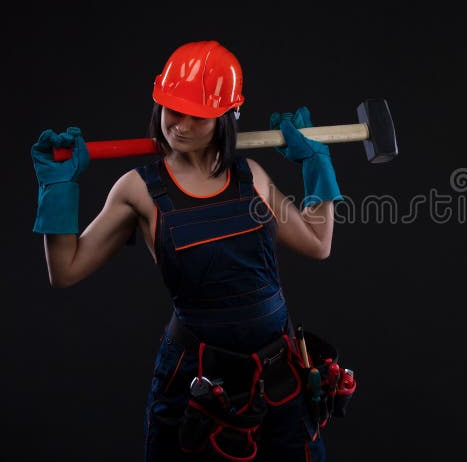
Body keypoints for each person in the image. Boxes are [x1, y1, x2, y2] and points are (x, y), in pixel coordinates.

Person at [31, 40, 348, 461]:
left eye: (196, 116)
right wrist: (57, 189)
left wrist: (316, 169)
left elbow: (317, 243)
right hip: (198, 382)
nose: (179, 125)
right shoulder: (138, 189)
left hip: (278, 376)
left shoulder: (249, 174)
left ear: (225, 118)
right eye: (171, 110)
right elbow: (65, 270)